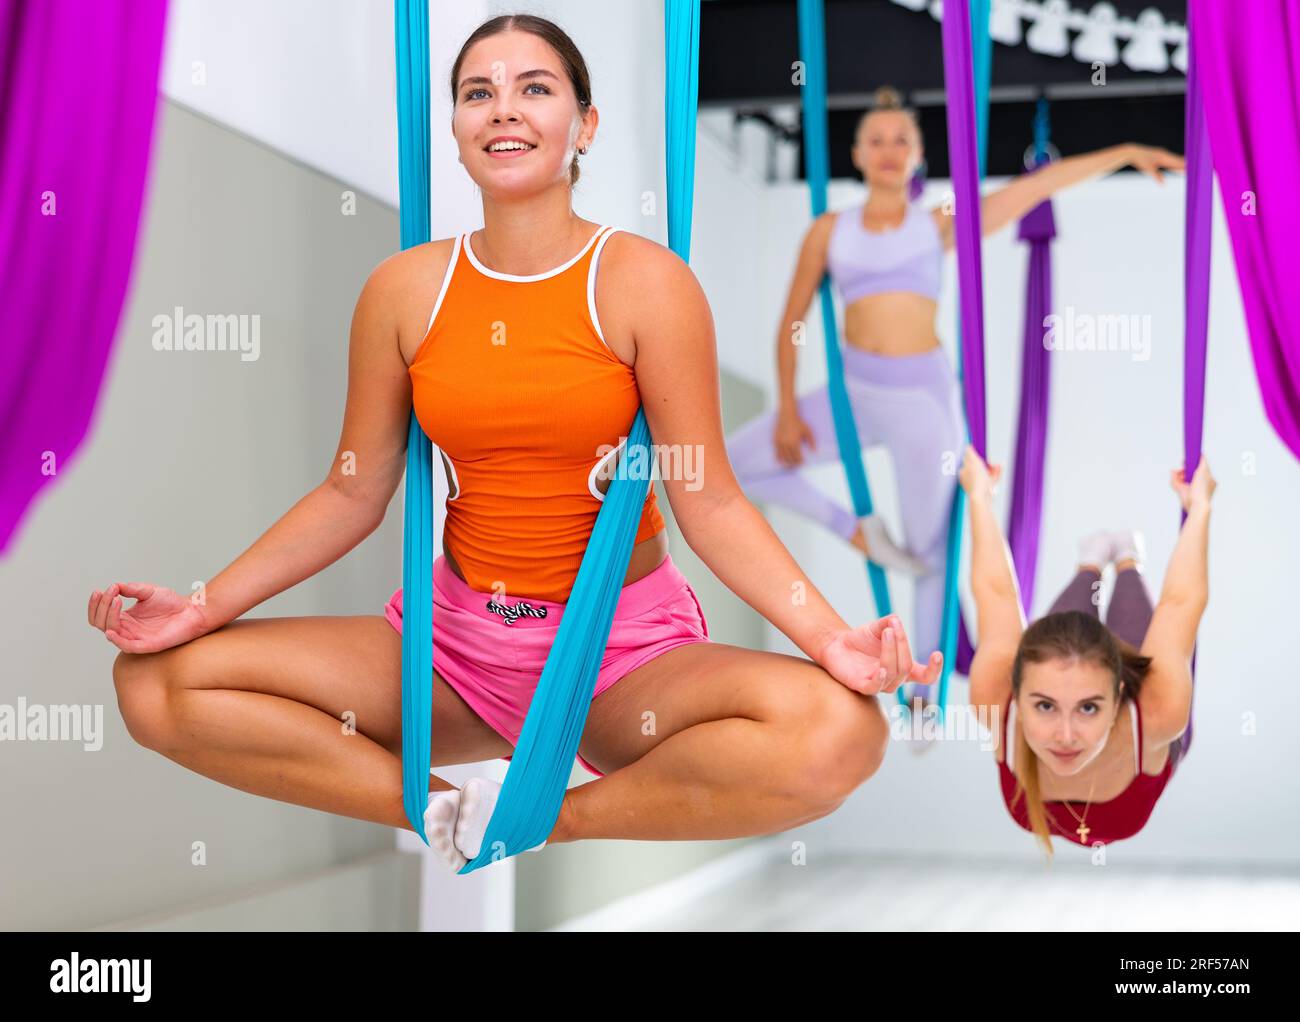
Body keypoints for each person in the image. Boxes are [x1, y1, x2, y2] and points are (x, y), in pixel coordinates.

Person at [90, 14, 942, 874]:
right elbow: (352, 491)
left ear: (585, 124)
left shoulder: (646, 283)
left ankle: (539, 817)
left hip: (621, 660)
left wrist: (831, 640)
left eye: (535, 88)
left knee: (841, 734)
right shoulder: (405, 291)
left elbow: (710, 498)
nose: (504, 110)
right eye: (477, 93)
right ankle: (444, 808)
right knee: (155, 685)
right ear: (456, 131)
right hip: (453, 649)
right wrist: (204, 605)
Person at [724, 87, 1185, 707]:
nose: (889, 151)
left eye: (901, 141)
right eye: (877, 139)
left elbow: (1035, 189)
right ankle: (857, 533)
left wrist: (1126, 149)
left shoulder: (936, 222)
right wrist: (783, 406)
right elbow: (791, 321)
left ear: (917, 155)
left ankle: (922, 693)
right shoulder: (829, 230)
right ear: (857, 154)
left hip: (922, 404)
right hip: (853, 396)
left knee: (929, 552)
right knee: (735, 462)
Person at [958, 444, 1211, 852]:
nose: (1065, 735)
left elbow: (1182, 603)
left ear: (1118, 700)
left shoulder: (1155, 709)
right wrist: (978, 495)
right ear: (1016, 694)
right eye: (1044, 706)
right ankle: (1102, 561)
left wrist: (1199, 509)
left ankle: (1121, 560)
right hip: (1133, 705)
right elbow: (996, 594)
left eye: (1089, 707)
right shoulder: (996, 698)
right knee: (1060, 644)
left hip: (1143, 714)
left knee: (1118, 638)